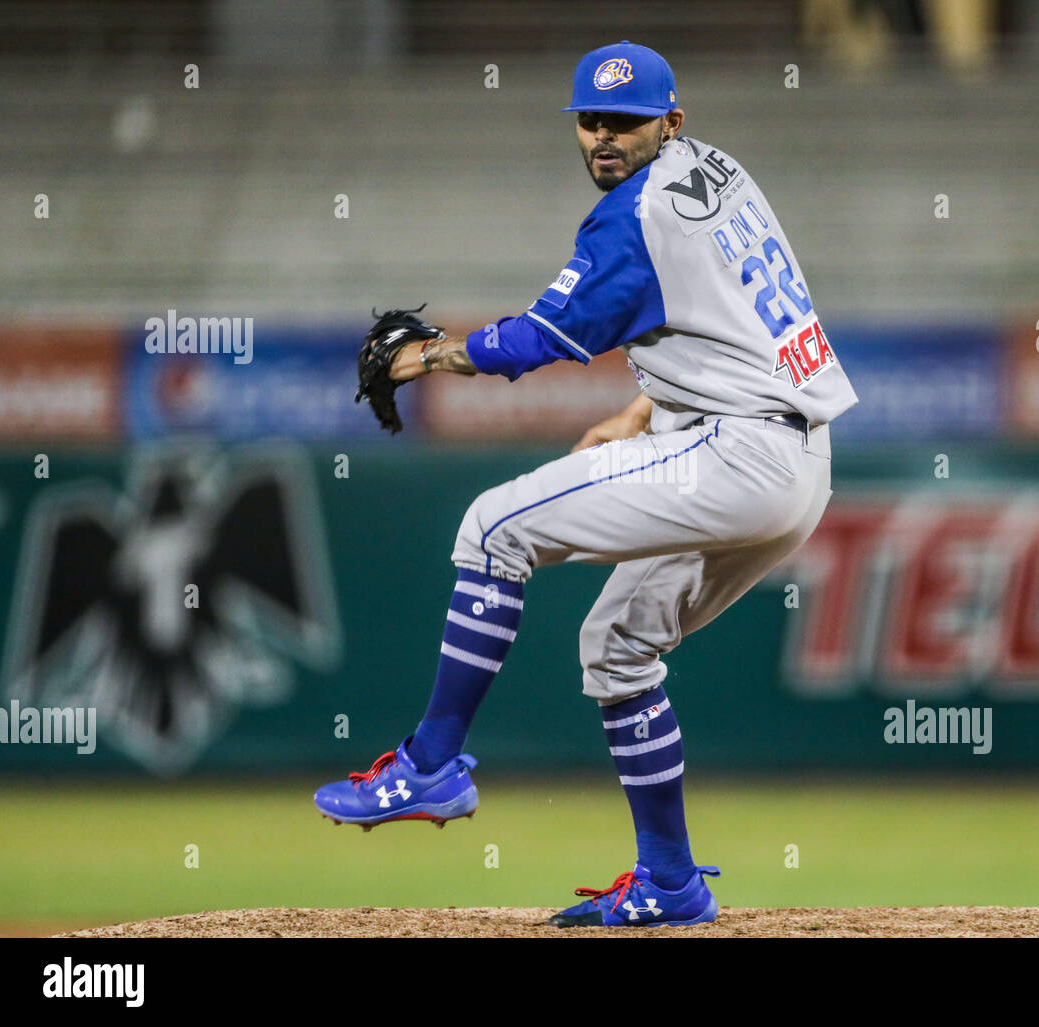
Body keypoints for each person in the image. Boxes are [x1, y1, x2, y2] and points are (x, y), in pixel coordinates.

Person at [314, 40, 858, 928]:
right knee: (616, 647)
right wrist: (642, 413)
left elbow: (531, 342)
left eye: (627, 121)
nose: (605, 137)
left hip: (738, 453)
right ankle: (673, 883)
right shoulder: (717, 172)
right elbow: (723, 323)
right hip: (796, 462)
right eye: (591, 122)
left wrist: (426, 355)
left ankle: (432, 763)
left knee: (493, 528)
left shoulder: (630, 218)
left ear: (670, 121)